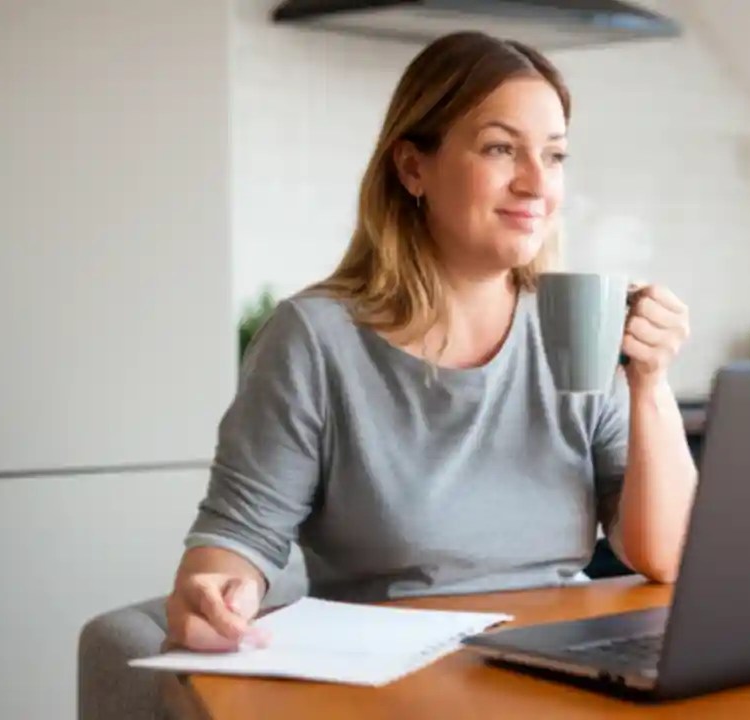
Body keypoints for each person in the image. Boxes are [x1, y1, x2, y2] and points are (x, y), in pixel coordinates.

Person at [164, 31, 698, 652]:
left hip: (558, 664)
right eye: (501, 149)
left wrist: (649, 383)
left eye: (553, 156)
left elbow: (666, 557)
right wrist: (217, 593)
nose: (536, 183)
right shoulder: (315, 339)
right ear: (413, 166)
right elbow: (238, 541)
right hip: (387, 676)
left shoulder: (574, 324)